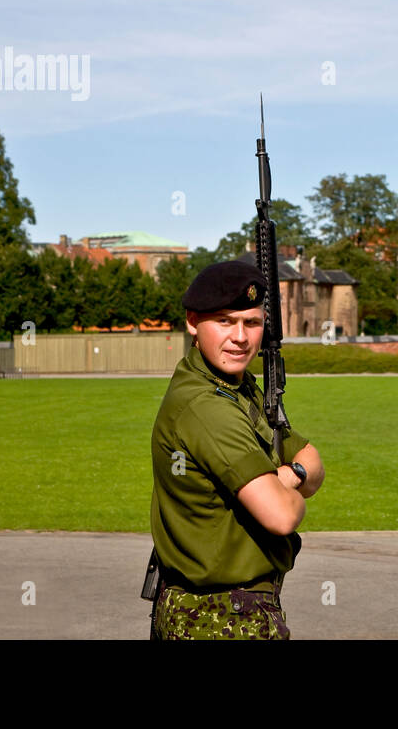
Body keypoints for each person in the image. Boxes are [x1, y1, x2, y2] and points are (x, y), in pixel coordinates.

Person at [149, 260, 324, 639]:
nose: (240, 337)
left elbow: (310, 458)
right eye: (225, 321)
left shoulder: (236, 388)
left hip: (227, 610)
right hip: (220, 616)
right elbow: (281, 516)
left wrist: (290, 475)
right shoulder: (209, 408)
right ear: (193, 322)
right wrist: (292, 489)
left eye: (252, 322)